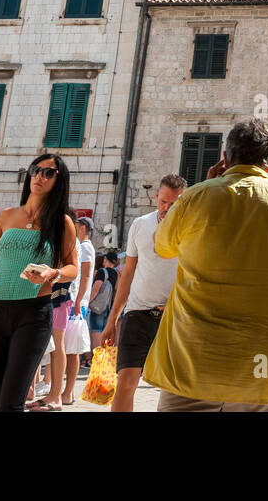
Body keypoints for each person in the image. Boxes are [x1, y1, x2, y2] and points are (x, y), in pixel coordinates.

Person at [145, 119, 268, 412]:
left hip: (191, 361)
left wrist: (205, 186)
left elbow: (162, 246)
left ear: (226, 158)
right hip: (260, 365)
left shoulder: (196, 197)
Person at [0, 154, 78, 412]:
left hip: (33, 314)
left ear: (59, 181)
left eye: (48, 173)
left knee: (11, 403)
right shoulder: (7, 215)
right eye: (36, 170)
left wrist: (53, 273)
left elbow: (72, 267)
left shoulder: (62, 223)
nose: (39, 176)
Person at [102, 175, 184, 412]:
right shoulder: (140, 225)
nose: (167, 208)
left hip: (173, 317)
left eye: (174, 203)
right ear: (156, 197)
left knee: (174, 388)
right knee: (126, 381)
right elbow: (127, 273)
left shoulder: (190, 228)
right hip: (137, 313)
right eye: (164, 202)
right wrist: (112, 320)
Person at [52, 215, 95, 407]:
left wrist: (78, 301)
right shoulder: (81, 245)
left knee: (71, 349)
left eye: (77, 225)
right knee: (67, 348)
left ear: (82, 228)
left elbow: (85, 275)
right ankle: (63, 391)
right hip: (74, 299)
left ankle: (67, 391)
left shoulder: (85, 247)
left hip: (75, 300)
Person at [87, 251, 118, 350]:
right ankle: (103, 358)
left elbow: (96, 289)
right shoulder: (116, 273)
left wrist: (87, 302)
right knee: (104, 332)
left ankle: (95, 358)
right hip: (108, 307)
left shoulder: (102, 272)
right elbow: (117, 289)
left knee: (96, 331)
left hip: (98, 307)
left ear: (106, 260)